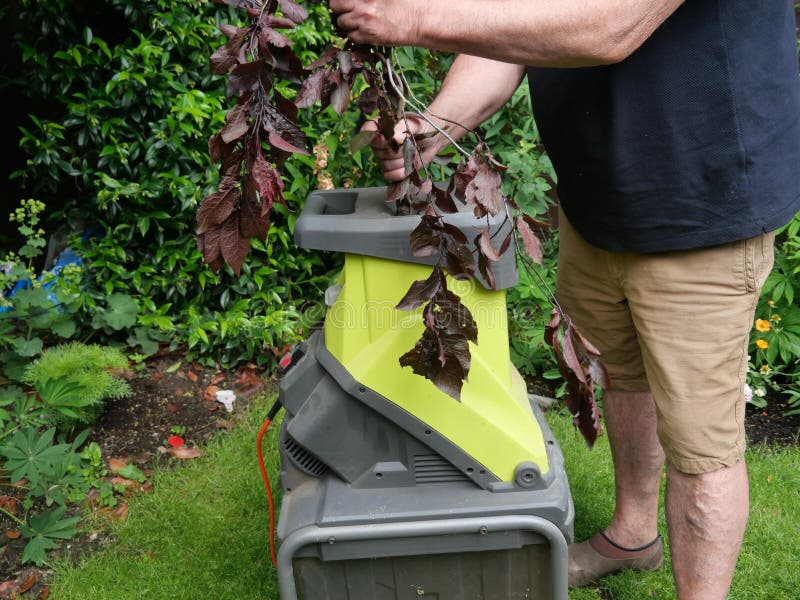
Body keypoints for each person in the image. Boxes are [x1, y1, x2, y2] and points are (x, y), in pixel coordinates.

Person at [327, 0, 800, 598]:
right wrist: (436, 126)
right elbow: (509, 22)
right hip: (599, 198)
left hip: (701, 206)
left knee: (701, 444)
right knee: (623, 373)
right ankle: (633, 535)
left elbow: (608, 27)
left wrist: (412, 21)